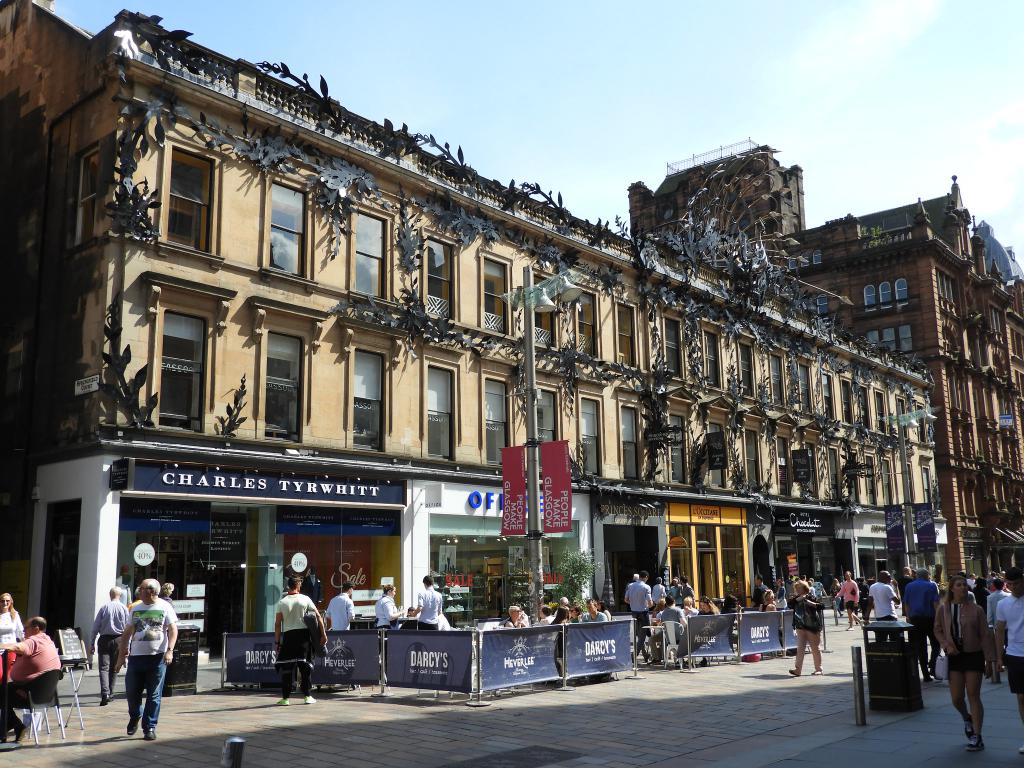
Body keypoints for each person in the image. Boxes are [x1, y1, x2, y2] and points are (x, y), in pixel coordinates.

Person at [935, 575, 994, 752]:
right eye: (959, 585)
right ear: (952, 588)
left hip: (974, 655)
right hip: (955, 656)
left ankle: (977, 735)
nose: (963, 588)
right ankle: (966, 718)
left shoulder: (977, 610)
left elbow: (985, 635)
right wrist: (945, 644)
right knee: (956, 698)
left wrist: (990, 660)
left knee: (973, 695)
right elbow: (937, 629)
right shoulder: (943, 609)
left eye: (964, 585)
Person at [114, 579, 178, 740]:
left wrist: (169, 651)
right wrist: (121, 656)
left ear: (152, 591)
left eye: (141, 588)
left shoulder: (165, 606)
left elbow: (172, 630)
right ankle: (135, 715)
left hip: (157, 658)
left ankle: (149, 727)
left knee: (154, 694)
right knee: (132, 691)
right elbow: (127, 632)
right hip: (136, 658)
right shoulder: (135, 608)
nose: (138, 591)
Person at [0, 616, 61, 743]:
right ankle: (8, 726)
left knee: (2, 692)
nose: (23, 630)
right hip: (47, 696)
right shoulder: (48, 641)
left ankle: (15, 725)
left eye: (26, 627)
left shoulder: (34, 640)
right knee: (5, 690)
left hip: (29, 695)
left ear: (36, 628)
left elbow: (18, 647)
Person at [273, 575, 324, 707]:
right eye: (300, 583)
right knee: (305, 667)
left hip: (289, 637)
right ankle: (307, 696)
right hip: (303, 636)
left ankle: (285, 698)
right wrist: (323, 634)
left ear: (289, 586)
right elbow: (318, 616)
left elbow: (277, 624)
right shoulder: (305, 599)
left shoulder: (282, 602)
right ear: (298, 585)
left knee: (287, 668)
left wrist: (277, 642)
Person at [995, 566, 1024, 756]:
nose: (1012, 587)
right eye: (1009, 584)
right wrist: (999, 657)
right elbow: (999, 631)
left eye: (1016, 583)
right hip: (1015, 654)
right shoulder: (1003, 604)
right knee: (1021, 697)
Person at [89, 586, 130, 705]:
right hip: (119, 639)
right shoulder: (124, 608)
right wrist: (128, 645)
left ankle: (104, 693)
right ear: (120, 595)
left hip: (104, 639)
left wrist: (92, 642)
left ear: (110, 595)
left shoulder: (104, 608)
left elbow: (95, 627)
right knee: (115, 667)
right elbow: (128, 628)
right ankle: (110, 693)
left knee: (103, 668)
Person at [903, 568, 941, 681]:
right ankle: (933, 665)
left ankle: (925, 674)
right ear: (926, 576)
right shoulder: (931, 586)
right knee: (936, 644)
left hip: (915, 620)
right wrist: (939, 620)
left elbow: (906, 603)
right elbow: (935, 603)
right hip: (930, 619)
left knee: (921, 647)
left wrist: (908, 617)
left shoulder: (909, 586)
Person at [787, 580, 823, 677]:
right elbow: (790, 605)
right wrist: (799, 599)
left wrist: (811, 603)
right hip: (800, 626)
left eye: (799, 588)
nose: (797, 590)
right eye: (796, 588)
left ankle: (818, 669)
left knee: (815, 648)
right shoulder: (795, 599)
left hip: (812, 626)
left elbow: (821, 606)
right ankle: (798, 669)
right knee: (800, 648)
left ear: (805, 588)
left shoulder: (811, 596)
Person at [624, 570, 654, 663]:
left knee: (639, 635)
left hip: (634, 612)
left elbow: (626, 599)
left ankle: (645, 655)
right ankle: (634, 655)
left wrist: (633, 603)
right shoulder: (646, 587)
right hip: (643, 613)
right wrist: (648, 605)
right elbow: (650, 603)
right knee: (642, 636)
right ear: (645, 577)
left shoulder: (630, 586)